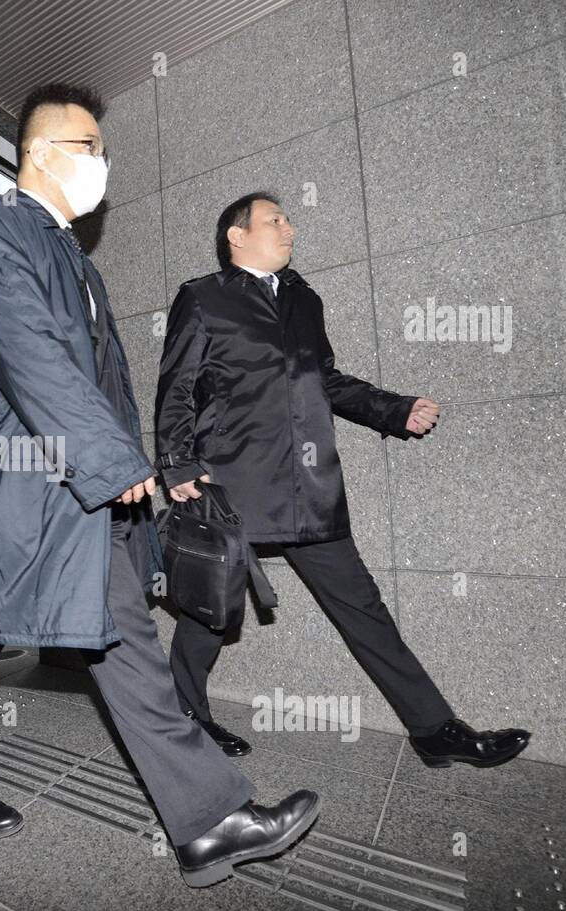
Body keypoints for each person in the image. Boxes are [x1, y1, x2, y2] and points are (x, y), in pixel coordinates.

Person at [0, 83, 320, 888]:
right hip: (12, 479)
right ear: (37, 153)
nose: (103, 162)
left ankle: (208, 820)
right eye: (89, 146)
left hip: (75, 483)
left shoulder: (80, 263)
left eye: (105, 149)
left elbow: (107, 387)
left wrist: (146, 468)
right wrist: (112, 461)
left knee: (118, 630)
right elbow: (27, 352)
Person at [155, 192, 531, 769]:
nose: (290, 228)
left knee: (363, 607)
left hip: (309, 486)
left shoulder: (304, 300)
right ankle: (187, 716)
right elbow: (177, 386)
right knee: (211, 608)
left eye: (288, 219)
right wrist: (178, 464)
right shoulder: (202, 297)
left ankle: (435, 729)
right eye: (275, 220)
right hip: (234, 483)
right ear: (237, 235)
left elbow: (324, 380)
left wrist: (392, 409)